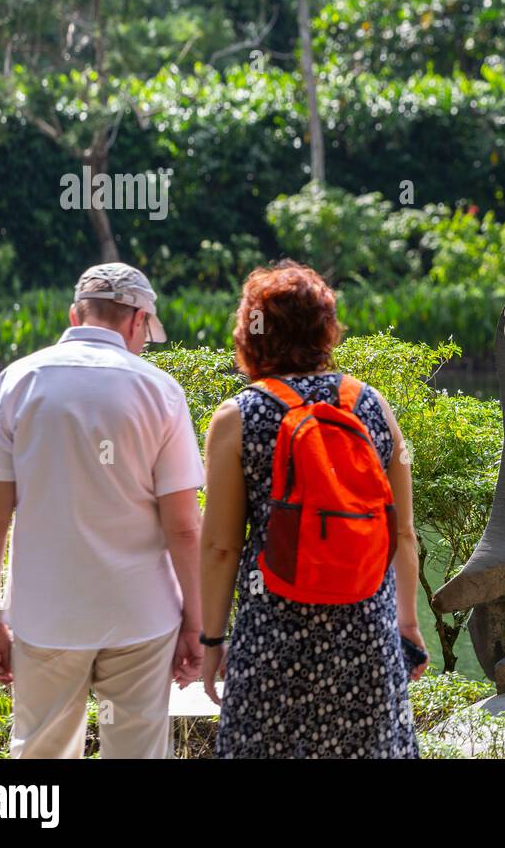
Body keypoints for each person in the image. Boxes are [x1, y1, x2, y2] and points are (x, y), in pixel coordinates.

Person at [0, 263, 206, 758]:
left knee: (41, 756)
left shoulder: (19, 381)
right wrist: (197, 621)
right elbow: (184, 527)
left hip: (45, 616)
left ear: (75, 314)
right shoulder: (159, 390)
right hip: (141, 614)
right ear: (138, 320)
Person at [199, 261, 425, 758]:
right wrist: (406, 626)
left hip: (273, 640)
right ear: (327, 329)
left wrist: (212, 639)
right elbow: (403, 533)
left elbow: (219, 547)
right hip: (366, 634)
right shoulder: (370, 405)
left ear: (251, 332)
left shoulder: (239, 417)